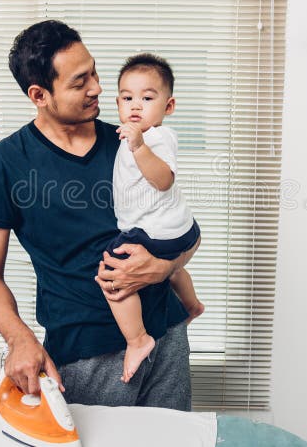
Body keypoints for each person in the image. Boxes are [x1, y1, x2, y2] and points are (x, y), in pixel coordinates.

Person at [0, 20, 200, 411]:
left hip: (167, 337)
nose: (97, 88)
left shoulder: (132, 142)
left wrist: (164, 267)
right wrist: (19, 338)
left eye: (93, 72)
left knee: (173, 438)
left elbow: (186, 231)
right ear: (40, 95)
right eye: (80, 82)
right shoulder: (5, 163)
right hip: (85, 357)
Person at [107, 53, 204, 383]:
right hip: (180, 227)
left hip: (157, 231)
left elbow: (163, 180)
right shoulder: (131, 135)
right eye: (127, 98)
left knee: (112, 277)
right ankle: (192, 305)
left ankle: (138, 340)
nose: (136, 105)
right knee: (174, 270)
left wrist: (139, 147)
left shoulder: (157, 137)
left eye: (147, 98)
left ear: (169, 106)